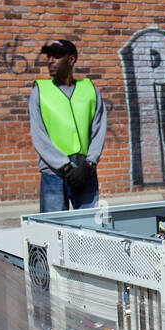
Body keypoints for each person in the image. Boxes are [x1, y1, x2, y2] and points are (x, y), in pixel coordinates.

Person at [28, 38, 106, 212]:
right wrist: (65, 166)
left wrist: (89, 164)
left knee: (89, 230)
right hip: (54, 174)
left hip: (85, 173)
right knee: (52, 231)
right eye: (49, 57)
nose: (50, 61)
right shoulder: (40, 92)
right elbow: (39, 135)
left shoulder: (89, 90)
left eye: (56, 56)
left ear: (71, 60)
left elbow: (98, 129)